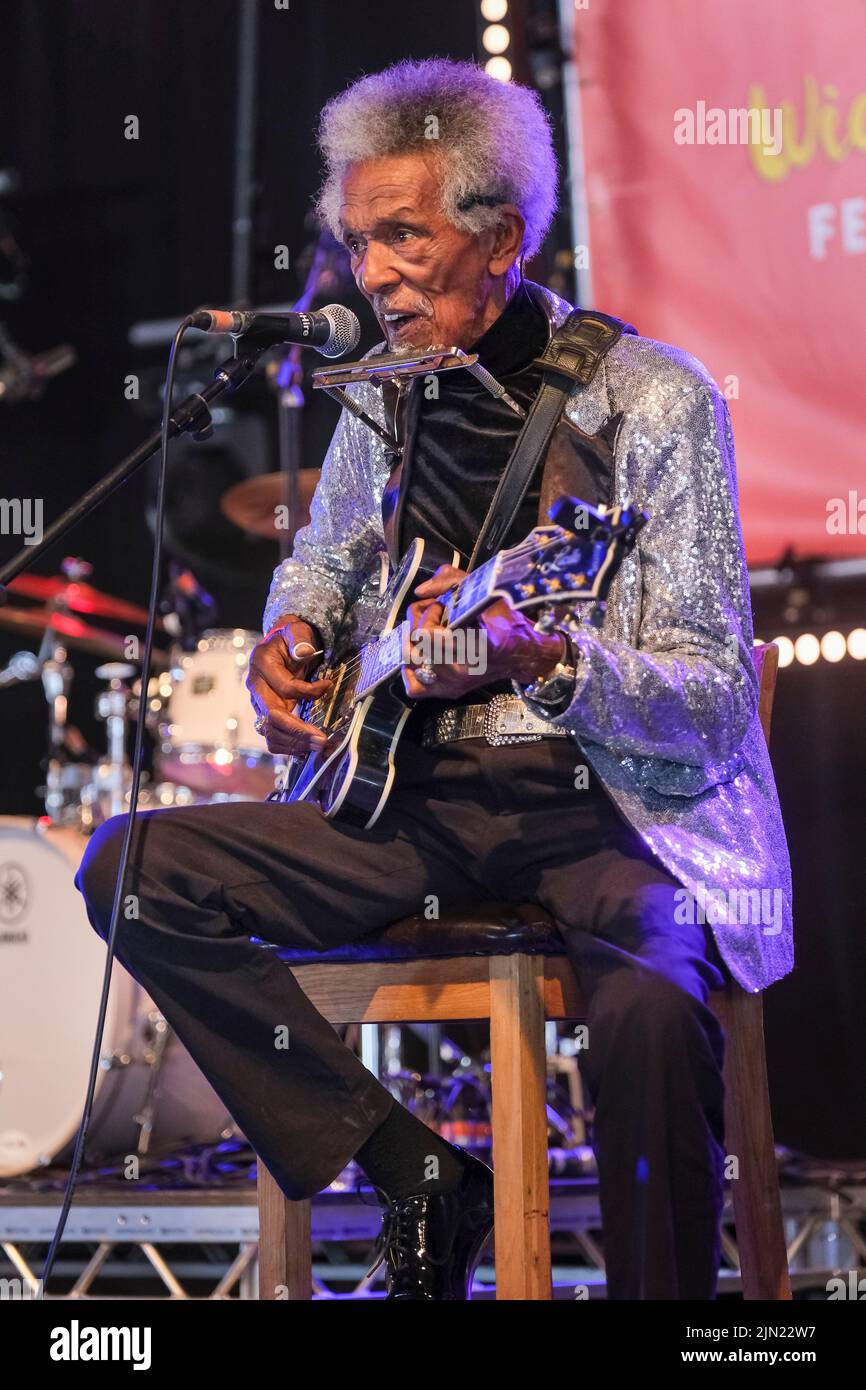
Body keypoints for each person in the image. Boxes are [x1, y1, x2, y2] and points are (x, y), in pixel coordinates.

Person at [77, 58, 793, 1300]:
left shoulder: (649, 400)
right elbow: (326, 556)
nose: (370, 273)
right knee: (131, 872)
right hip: (415, 800)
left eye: (400, 235)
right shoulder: (385, 400)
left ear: (501, 236)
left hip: (609, 810)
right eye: (356, 241)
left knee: (642, 1010)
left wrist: (558, 657)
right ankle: (409, 1173)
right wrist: (290, 633)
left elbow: (714, 697)